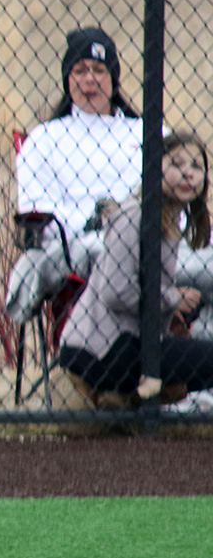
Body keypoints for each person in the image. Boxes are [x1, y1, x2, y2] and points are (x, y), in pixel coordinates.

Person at [57, 132, 213, 407]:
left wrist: (168, 305)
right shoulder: (134, 215)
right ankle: (110, 390)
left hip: (131, 344)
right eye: (177, 163)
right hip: (101, 351)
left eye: (197, 166)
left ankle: (119, 400)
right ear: (154, 167)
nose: (188, 173)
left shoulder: (169, 222)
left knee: (190, 363)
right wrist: (172, 298)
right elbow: (116, 293)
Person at [6, 28, 146, 325]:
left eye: (99, 69)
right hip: (78, 247)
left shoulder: (148, 134)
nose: (89, 79)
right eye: (79, 70)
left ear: (114, 78)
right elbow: (37, 211)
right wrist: (94, 223)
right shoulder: (45, 139)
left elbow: (176, 202)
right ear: (67, 79)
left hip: (146, 242)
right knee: (101, 250)